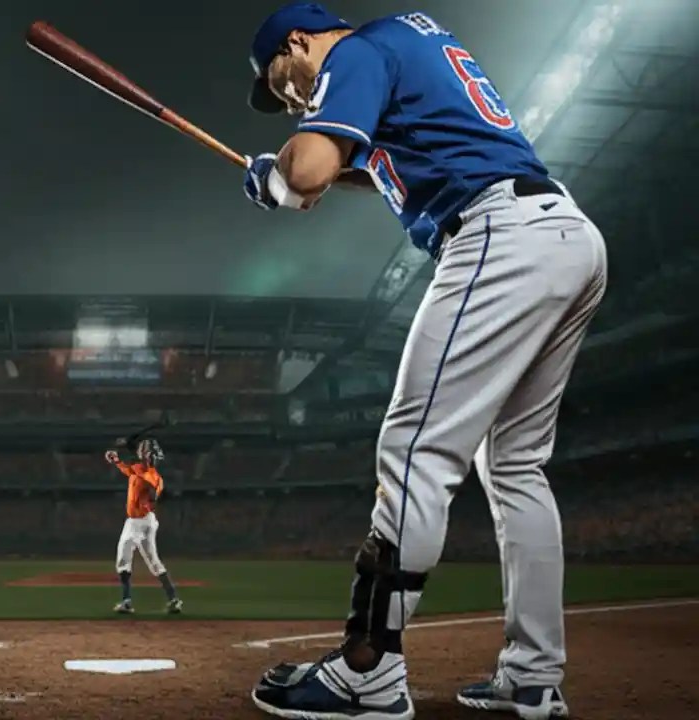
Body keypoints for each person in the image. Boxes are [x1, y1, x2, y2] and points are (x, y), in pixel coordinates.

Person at [240, 4, 607, 720]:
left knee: (414, 452)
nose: (287, 99)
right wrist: (298, 177)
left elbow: (310, 162)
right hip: (566, 236)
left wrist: (284, 177)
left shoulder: (353, 55)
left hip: (498, 241)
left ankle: (368, 668)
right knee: (516, 468)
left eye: (280, 82)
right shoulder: (407, 38)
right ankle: (533, 677)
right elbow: (361, 163)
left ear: (297, 42)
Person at [105, 437, 183, 614]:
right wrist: (117, 460)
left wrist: (126, 452)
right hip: (143, 521)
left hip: (138, 522)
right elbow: (130, 471)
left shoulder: (153, 476)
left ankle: (126, 601)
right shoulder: (141, 469)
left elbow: (147, 481)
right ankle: (174, 599)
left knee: (123, 558)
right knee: (153, 561)